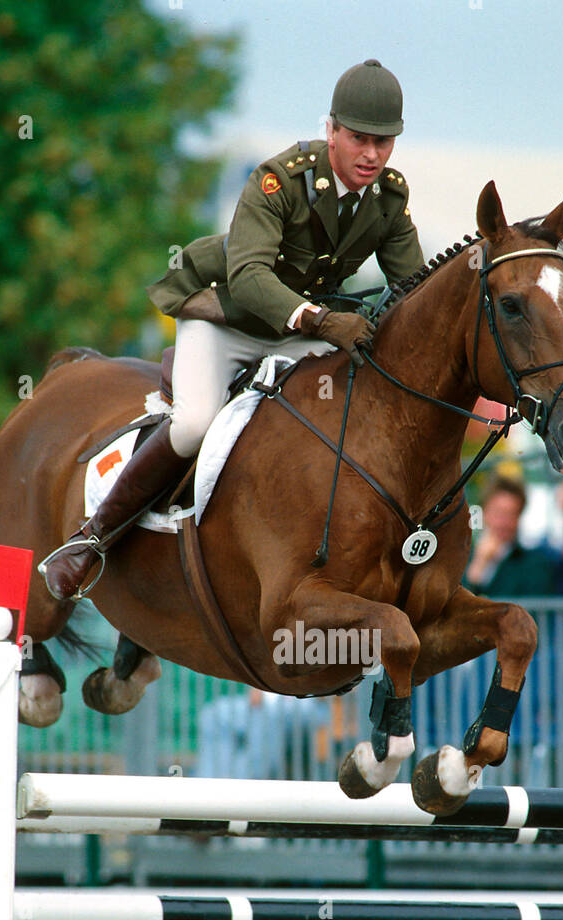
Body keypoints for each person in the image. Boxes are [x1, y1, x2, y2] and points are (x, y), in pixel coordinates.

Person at [42, 59, 425, 601]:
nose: (371, 154)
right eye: (360, 138)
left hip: (297, 331)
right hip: (226, 317)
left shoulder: (387, 197)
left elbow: (411, 286)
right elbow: (248, 278)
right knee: (196, 422)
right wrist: (320, 319)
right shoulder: (279, 179)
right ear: (331, 131)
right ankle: (92, 540)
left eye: (384, 142)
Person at [462, 473, 560, 598]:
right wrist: (478, 566)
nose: (503, 523)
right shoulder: (462, 558)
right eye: (498, 513)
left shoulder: (535, 564)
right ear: (485, 513)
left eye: (511, 514)